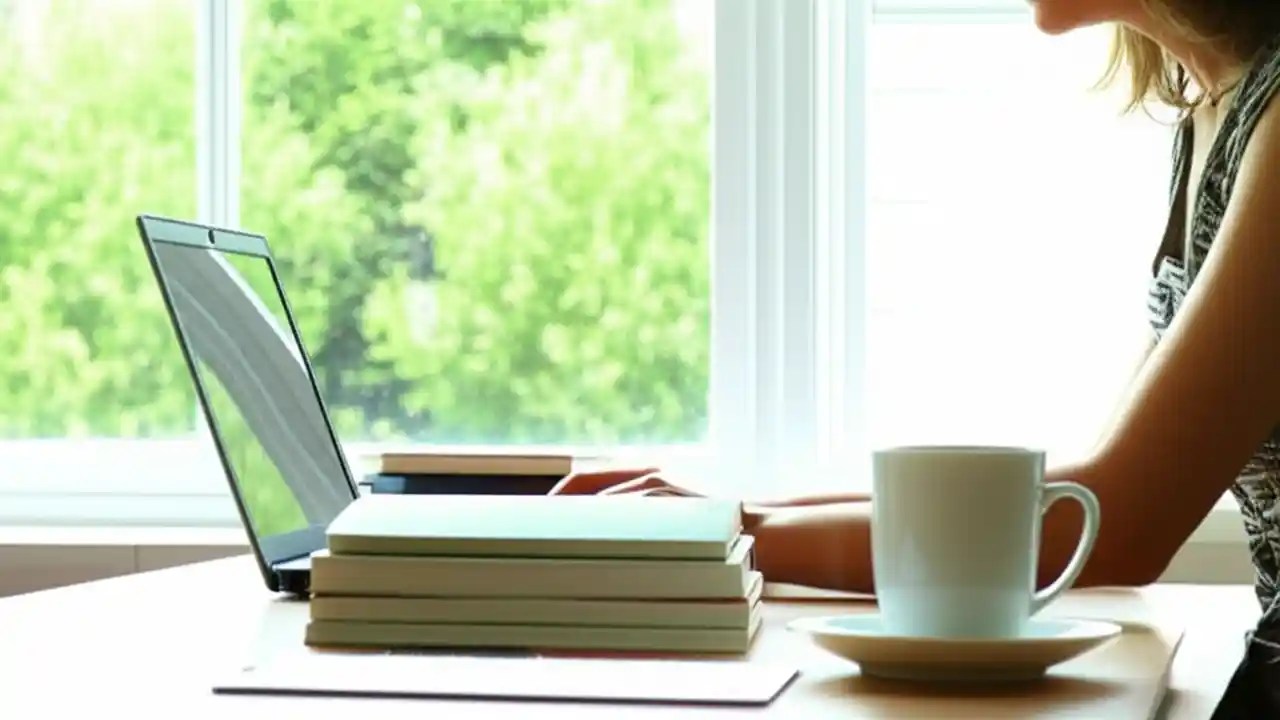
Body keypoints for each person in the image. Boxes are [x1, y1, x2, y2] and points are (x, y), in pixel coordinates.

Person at [552, 1, 1280, 713]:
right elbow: (1113, 484)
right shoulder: (1216, 111)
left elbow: (1120, 519)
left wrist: (734, 535)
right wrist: (730, 515)